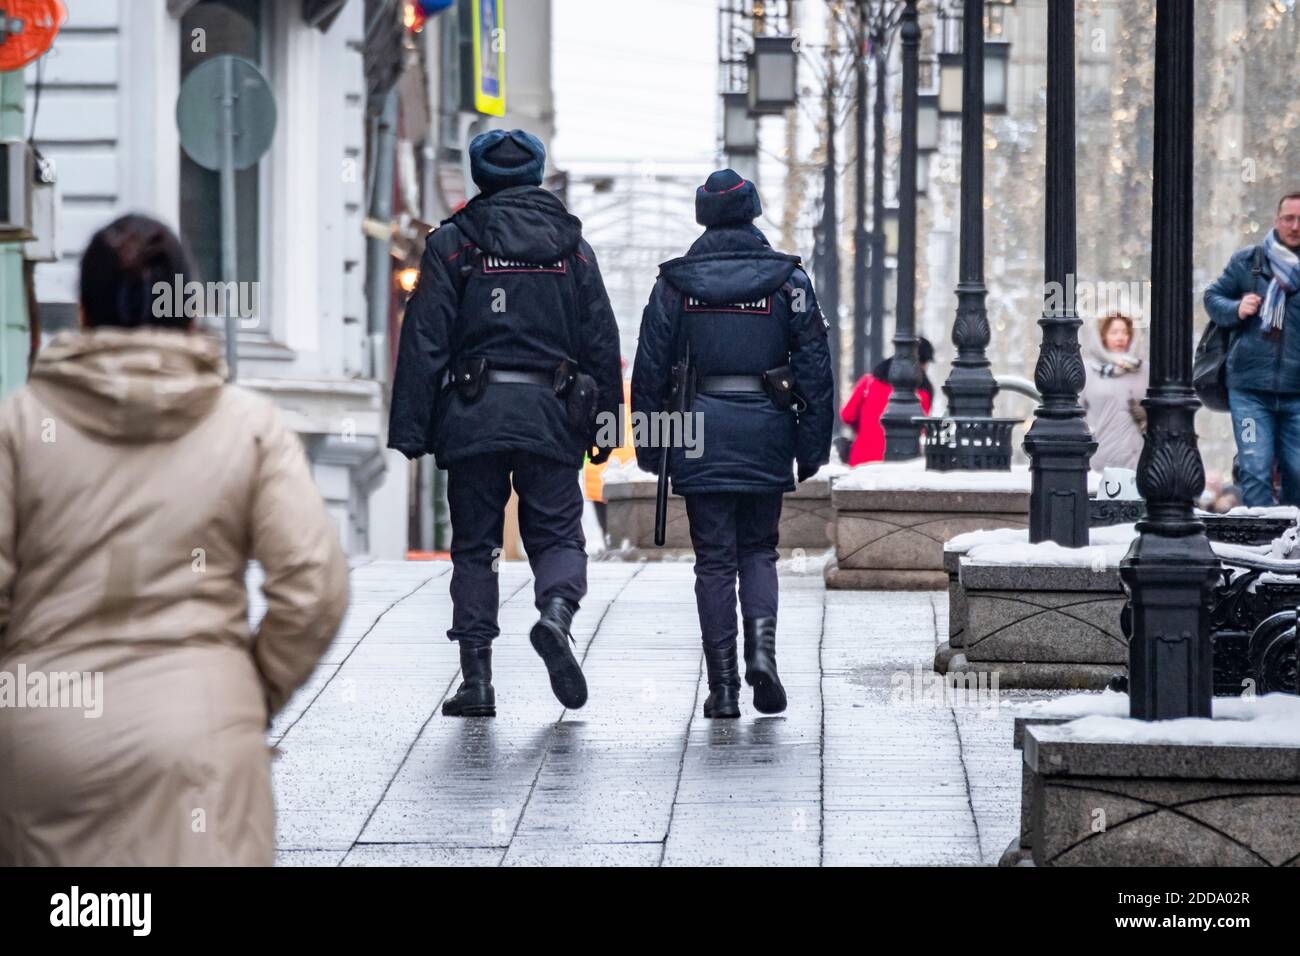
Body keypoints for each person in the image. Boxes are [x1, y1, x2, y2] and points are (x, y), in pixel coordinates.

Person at [0, 215, 348, 866]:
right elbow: (313, 585)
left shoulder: (20, 427)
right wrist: (251, 689)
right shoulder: (247, 426)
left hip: (46, 740)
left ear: (80, 311)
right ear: (190, 312)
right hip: (201, 731)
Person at [388, 129, 621, 716]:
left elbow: (425, 342)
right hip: (552, 415)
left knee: (476, 549)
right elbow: (600, 342)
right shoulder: (573, 249)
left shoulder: (454, 246)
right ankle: (556, 616)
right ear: (538, 174)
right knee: (559, 537)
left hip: (474, 418)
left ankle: (478, 682)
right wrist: (605, 429)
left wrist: (413, 429)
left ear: (480, 175)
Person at [632, 169, 833, 719]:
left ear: (704, 216)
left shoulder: (676, 283)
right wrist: (811, 446)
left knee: (714, 562)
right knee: (760, 552)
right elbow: (815, 367)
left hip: (697, 432)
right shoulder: (788, 281)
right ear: (753, 211)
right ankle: (762, 655)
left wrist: (653, 447)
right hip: (768, 427)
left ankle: (723, 689)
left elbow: (649, 369)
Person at [1204, 192, 1300, 506]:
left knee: (1296, 470)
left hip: (1296, 393)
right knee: (1255, 467)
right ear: (1277, 220)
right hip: (1248, 390)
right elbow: (1212, 299)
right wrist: (1236, 308)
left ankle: (1292, 543)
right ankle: (1259, 542)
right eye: (1289, 218)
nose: (1295, 226)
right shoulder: (1249, 262)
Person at [839, 338, 935, 466]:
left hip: (860, 462)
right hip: (897, 465)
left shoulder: (868, 382)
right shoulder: (923, 393)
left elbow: (847, 415)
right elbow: (921, 429)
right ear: (923, 363)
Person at [1081, 313, 1148, 472]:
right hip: (1097, 458)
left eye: (1125, 332)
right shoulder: (1088, 370)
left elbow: (1162, 409)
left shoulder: (1145, 370)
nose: (1120, 337)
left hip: (1135, 458)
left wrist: (1147, 413)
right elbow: (1076, 412)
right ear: (1102, 337)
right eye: (1114, 332)